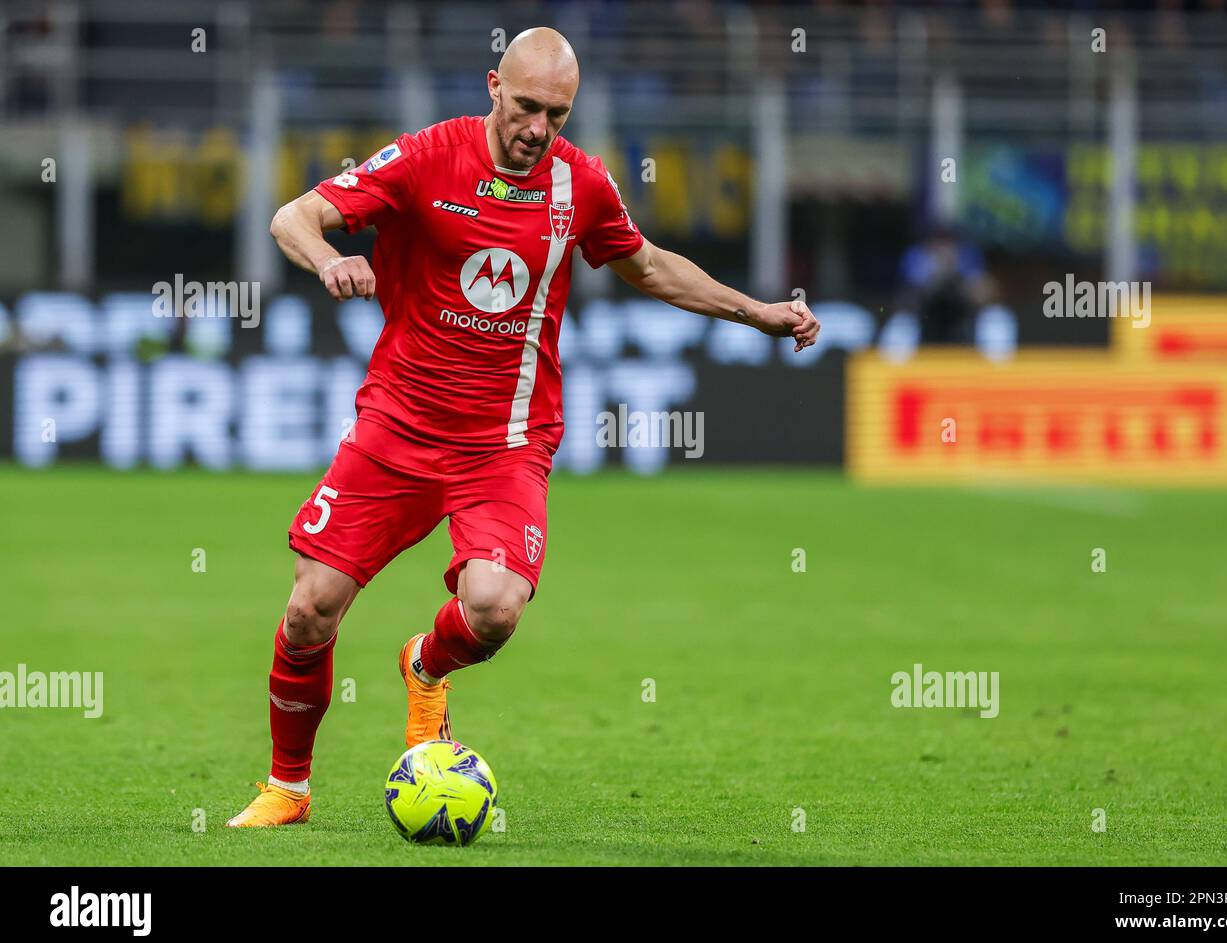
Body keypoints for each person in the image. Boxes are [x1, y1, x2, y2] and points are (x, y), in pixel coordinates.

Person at [227, 27, 819, 827]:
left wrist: (758, 313)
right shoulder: (423, 158)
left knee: (495, 610)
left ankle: (425, 665)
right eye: (528, 106)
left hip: (505, 442)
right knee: (310, 609)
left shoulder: (582, 185)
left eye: (558, 115)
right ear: (493, 88)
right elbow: (294, 216)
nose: (539, 129)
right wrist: (329, 259)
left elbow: (648, 265)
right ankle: (287, 789)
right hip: (397, 427)